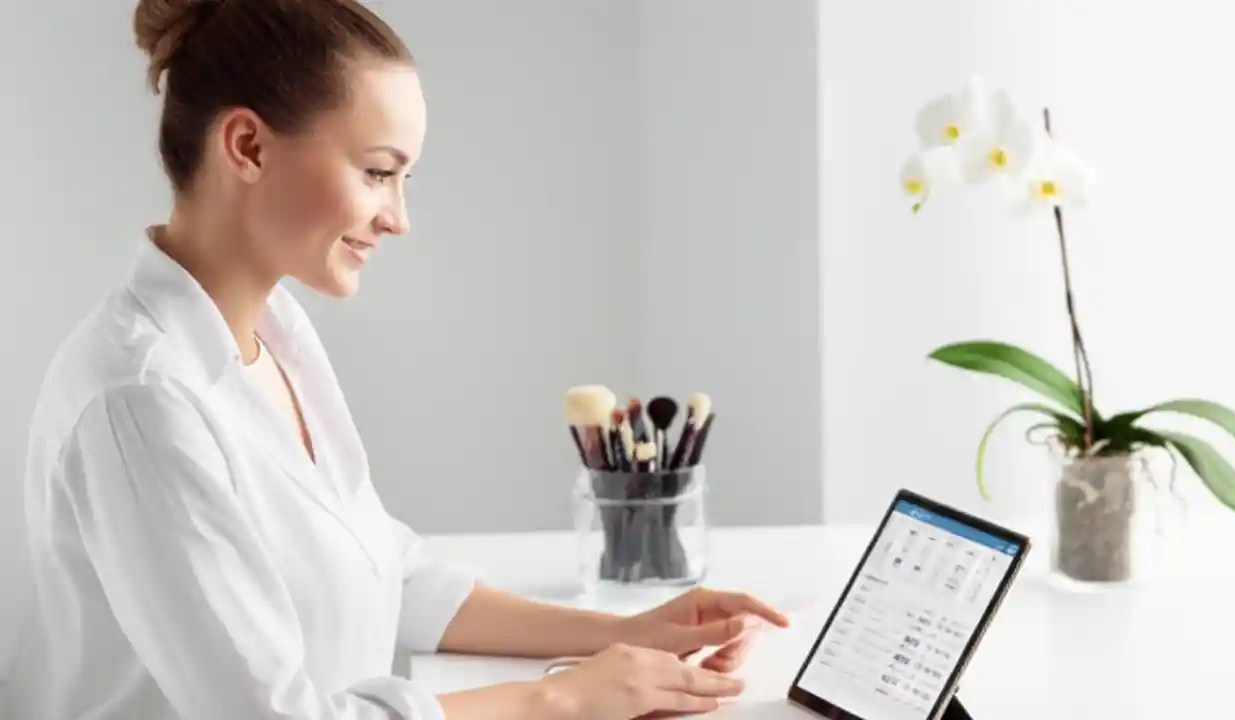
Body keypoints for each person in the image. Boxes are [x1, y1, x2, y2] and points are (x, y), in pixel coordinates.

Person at [0, 1, 790, 718]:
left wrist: (623, 632)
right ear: (246, 145)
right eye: (378, 172)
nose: (399, 218)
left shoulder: (276, 332)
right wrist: (563, 700)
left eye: (404, 179)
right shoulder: (140, 401)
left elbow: (384, 573)